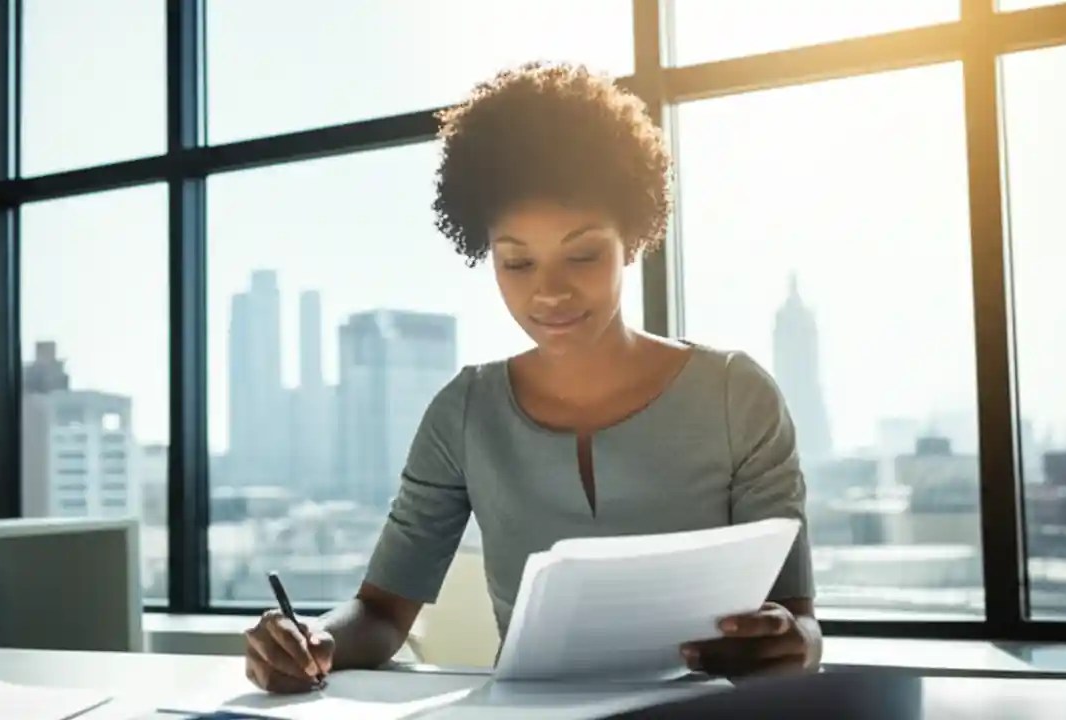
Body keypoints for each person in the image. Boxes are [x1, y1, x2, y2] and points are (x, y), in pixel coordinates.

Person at [243, 62, 821, 693]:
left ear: (631, 238)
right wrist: (313, 639)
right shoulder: (464, 412)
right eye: (516, 261)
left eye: (582, 254)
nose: (549, 292)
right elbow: (382, 614)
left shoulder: (737, 396)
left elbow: (798, 623)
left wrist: (792, 645)